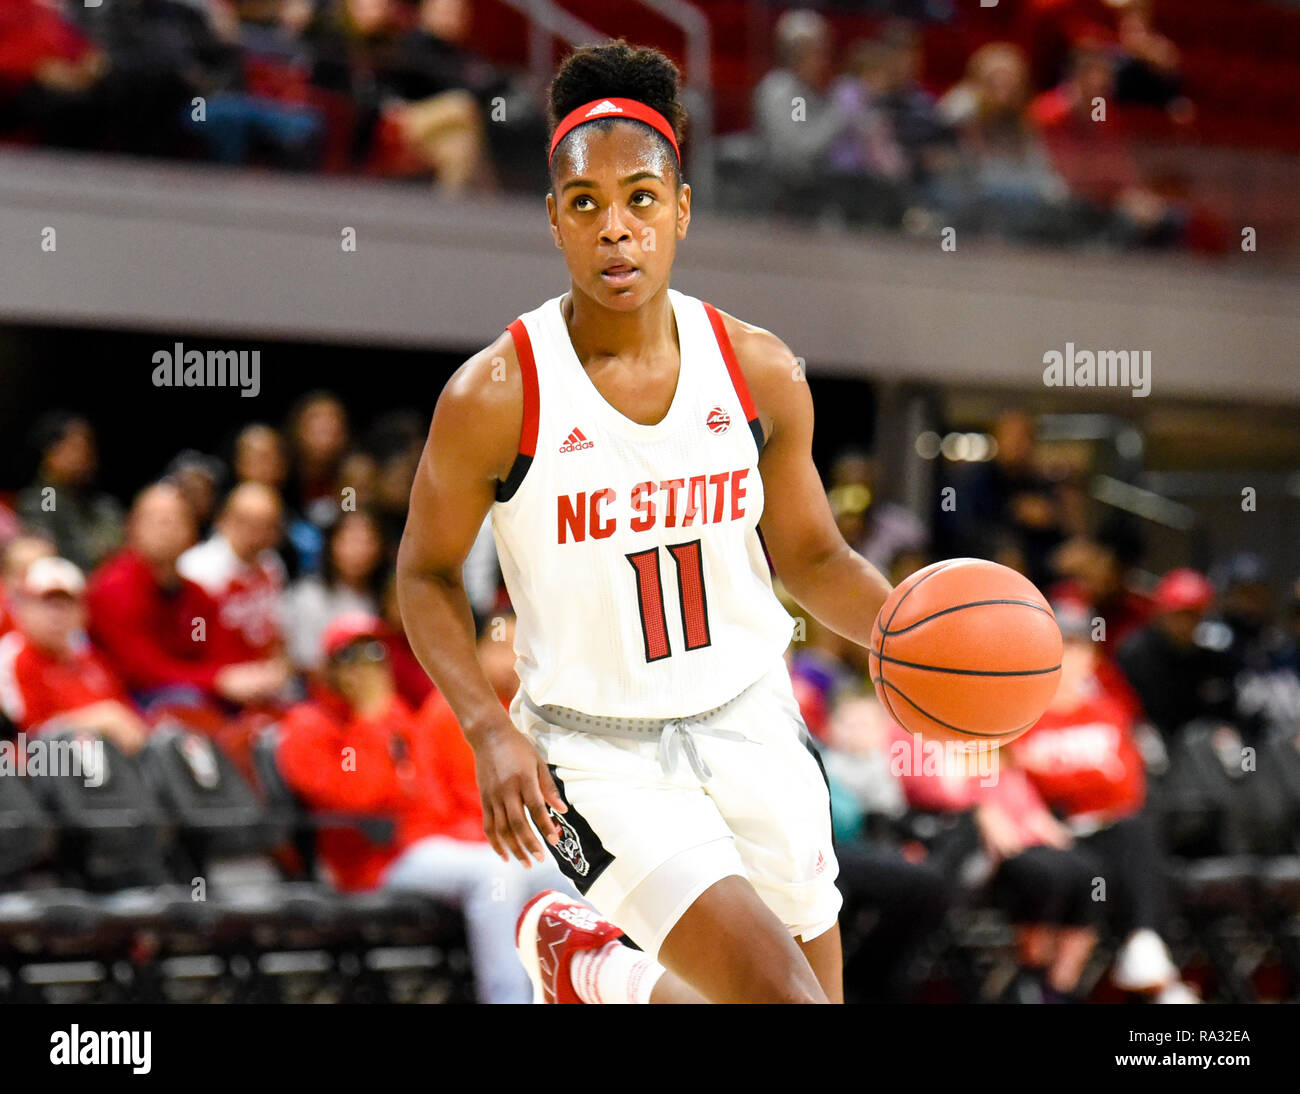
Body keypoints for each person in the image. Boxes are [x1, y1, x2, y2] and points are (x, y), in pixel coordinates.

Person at [397, 40, 896, 1004]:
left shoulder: (759, 372)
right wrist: (487, 731)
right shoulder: (495, 395)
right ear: (553, 221)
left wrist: (900, 636)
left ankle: (599, 975)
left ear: (682, 211)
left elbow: (812, 553)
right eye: (586, 205)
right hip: (594, 751)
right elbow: (422, 574)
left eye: (639, 199)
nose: (615, 230)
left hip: (752, 717)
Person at [275, 611, 573, 1004]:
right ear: (327, 666)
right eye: (350, 655)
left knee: (565, 868)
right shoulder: (307, 724)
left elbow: (420, 788)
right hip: (368, 866)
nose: (366, 667)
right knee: (495, 872)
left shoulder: (396, 710)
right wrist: (370, 718)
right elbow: (360, 799)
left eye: (374, 652)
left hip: (420, 849)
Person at [0, 556, 146, 754]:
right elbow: (29, 737)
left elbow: (130, 724)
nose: (56, 616)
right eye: (46, 604)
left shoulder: (92, 660)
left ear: (83, 613)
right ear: (24, 608)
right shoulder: (12, 656)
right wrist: (100, 720)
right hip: (47, 772)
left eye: (66, 605)